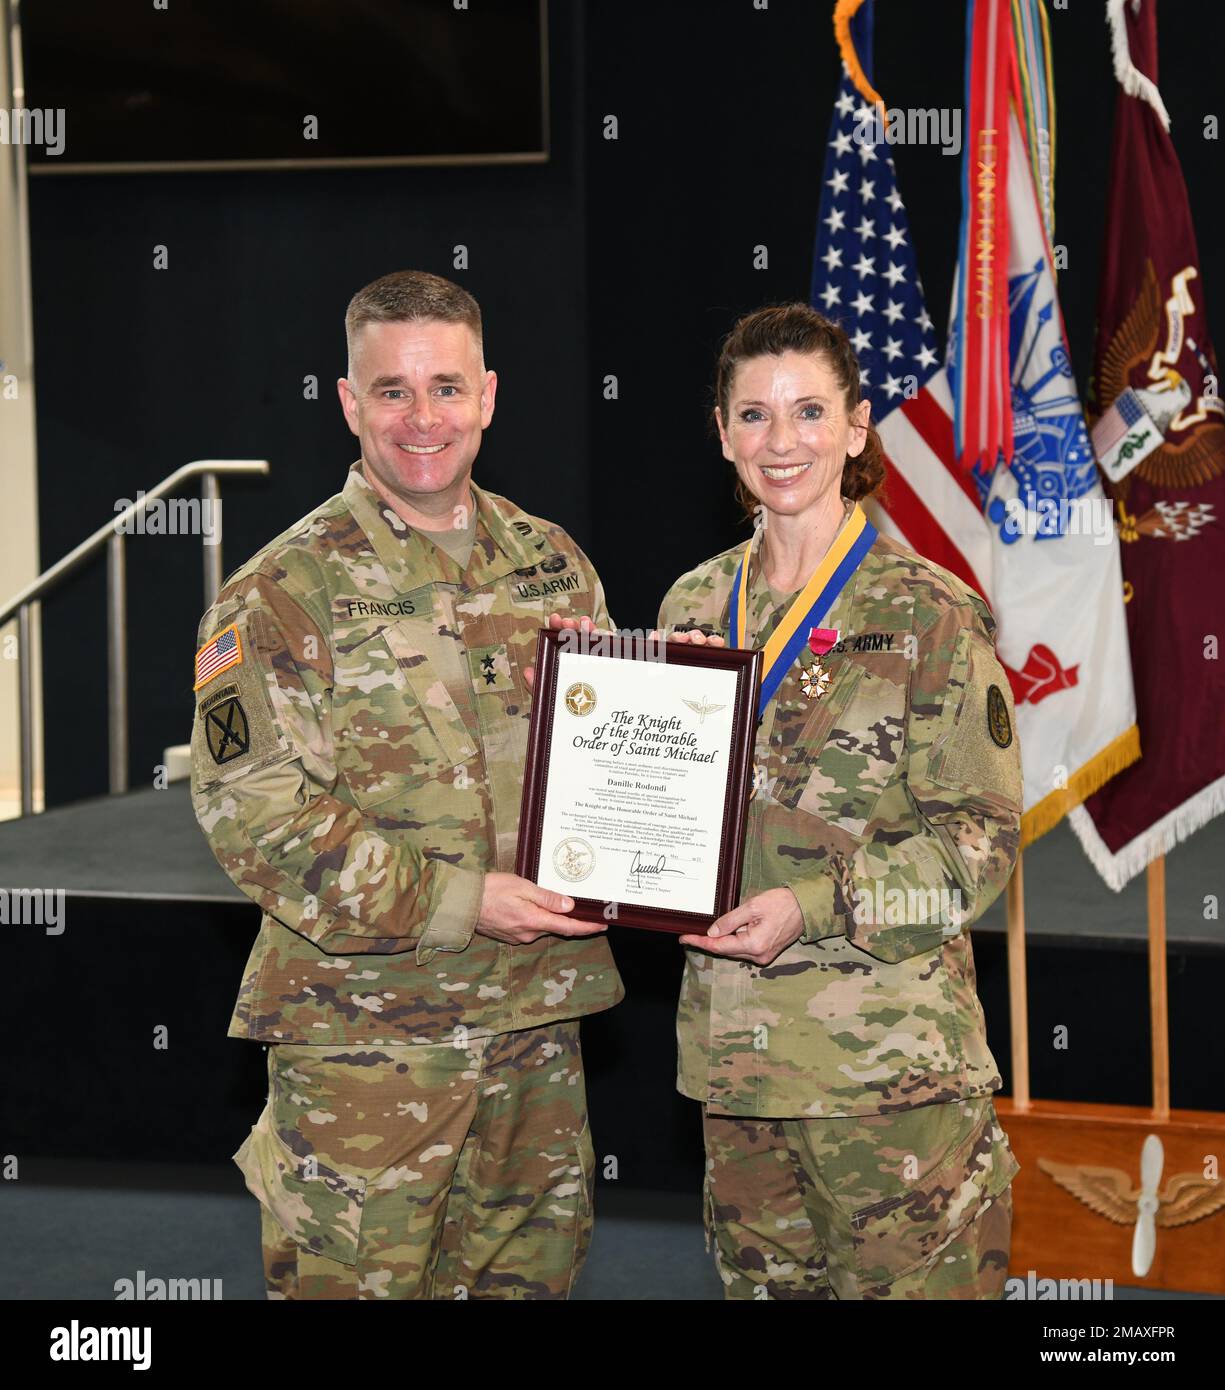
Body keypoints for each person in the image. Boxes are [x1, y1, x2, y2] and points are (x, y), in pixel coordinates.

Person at [190, 270, 623, 1300]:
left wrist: (684, 706)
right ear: (349, 402)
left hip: (534, 1038)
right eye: (393, 391)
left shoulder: (552, 566)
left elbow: (607, 772)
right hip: (366, 1052)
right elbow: (256, 817)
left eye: (446, 388)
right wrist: (460, 899)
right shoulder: (281, 591)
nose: (422, 418)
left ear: (488, 396)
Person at [656, 303, 1023, 1300]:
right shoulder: (689, 608)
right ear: (722, 431)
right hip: (737, 1069)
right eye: (755, 416)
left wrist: (809, 907)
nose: (783, 443)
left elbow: (977, 850)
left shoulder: (928, 611)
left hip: (888, 1081)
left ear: (857, 426)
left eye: (810, 412)